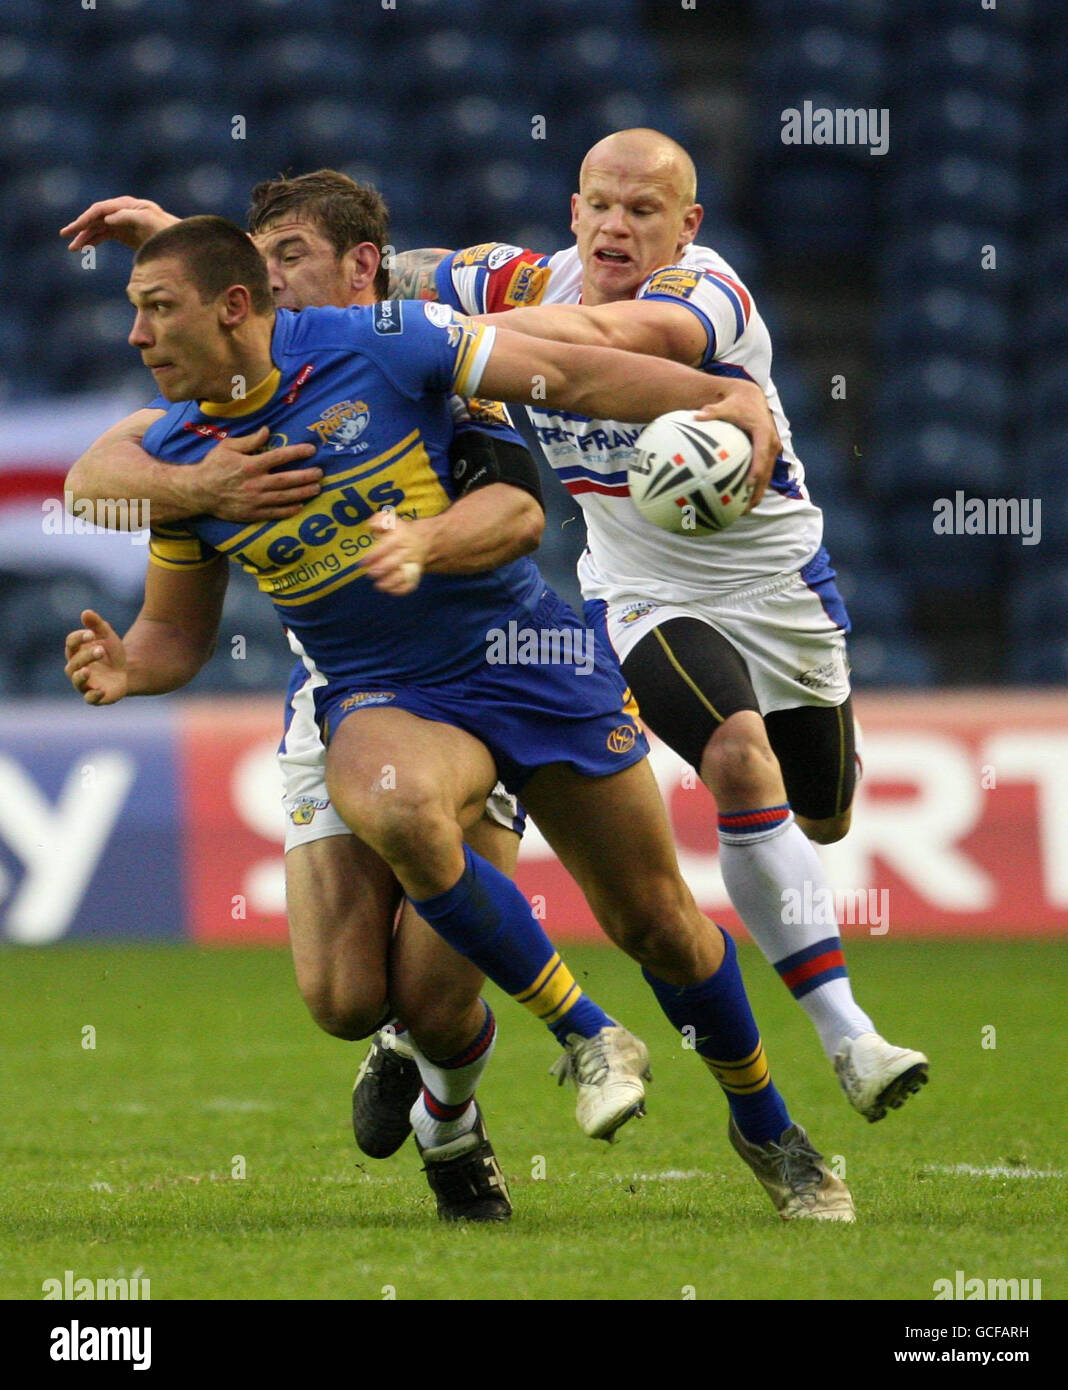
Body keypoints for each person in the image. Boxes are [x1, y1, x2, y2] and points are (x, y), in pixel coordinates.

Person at [65, 215, 853, 1223]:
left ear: (230, 309)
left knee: (657, 922)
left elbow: (564, 377)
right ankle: (585, 1033)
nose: (136, 339)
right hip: (383, 689)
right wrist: (129, 668)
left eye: (155, 311)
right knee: (389, 808)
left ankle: (766, 1124)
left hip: (529, 659)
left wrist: (720, 395)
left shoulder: (382, 342)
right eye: (134, 314)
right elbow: (172, 634)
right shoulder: (177, 455)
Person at [385, 127, 928, 1123]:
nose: (617, 226)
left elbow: (629, 344)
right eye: (600, 203)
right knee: (735, 760)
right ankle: (850, 1037)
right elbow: (392, 268)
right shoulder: (515, 282)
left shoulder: (709, 293)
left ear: (688, 225)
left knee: (825, 811)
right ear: (573, 209)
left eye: (644, 211)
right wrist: (349, 285)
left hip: (779, 590)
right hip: (642, 591)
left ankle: (818, 864)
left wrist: (465, 339)